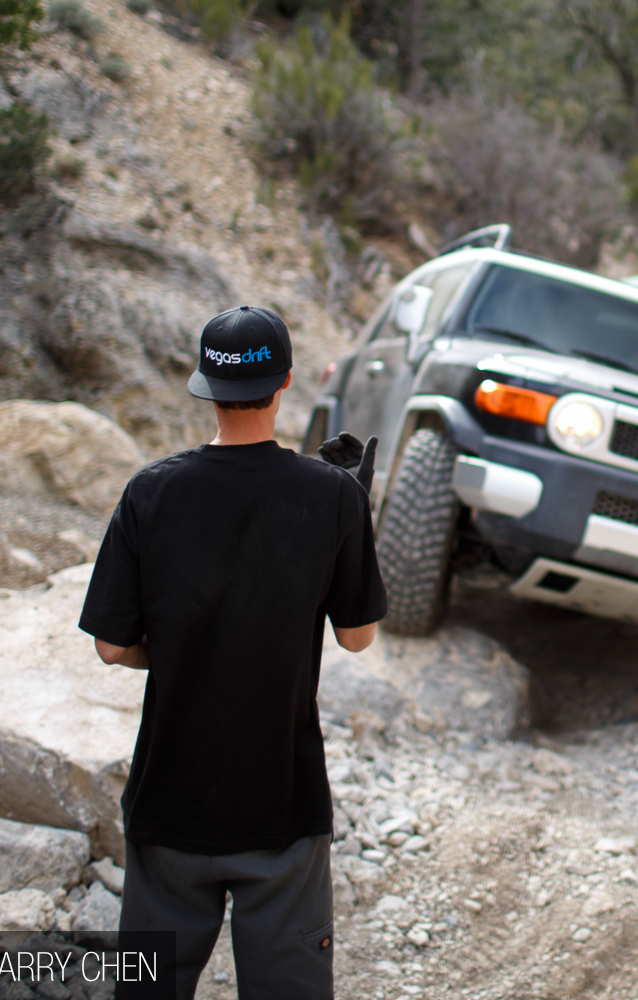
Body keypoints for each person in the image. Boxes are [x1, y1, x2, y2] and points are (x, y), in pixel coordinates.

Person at [79, 304, 385, 1000]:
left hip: (169, 802)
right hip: (281, 804)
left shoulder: (150, 492)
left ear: (205, 387)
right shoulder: (331, 497)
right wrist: (350, 518)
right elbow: (358, 636)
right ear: (284, 386)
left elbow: (110, 645)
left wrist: (194, 646)